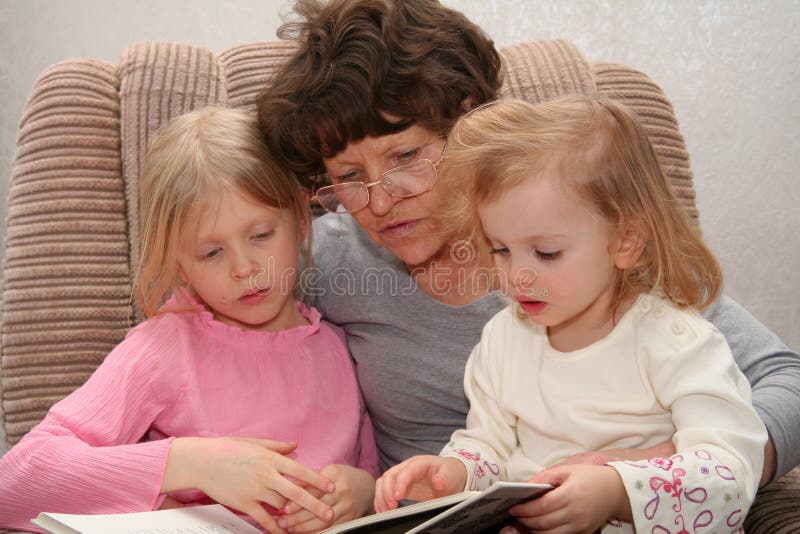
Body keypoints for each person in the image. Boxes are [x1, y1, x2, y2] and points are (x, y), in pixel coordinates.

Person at [256, 0, 799, 508]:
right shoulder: (332, 258)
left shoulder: (584, 236)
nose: (379, 201)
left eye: (406, 156)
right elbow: (207, 305)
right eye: (350, 176)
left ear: (469, 122)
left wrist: (650, 471)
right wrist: (203, 461)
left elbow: (787, 382)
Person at [373, 96, 767, 533]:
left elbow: (729, 473)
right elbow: (490, 447)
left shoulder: (674, 340)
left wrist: (617, 490)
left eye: (546, 253)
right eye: (500, 249)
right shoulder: (505, 338)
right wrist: (453, 474)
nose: (517, 276)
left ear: (625, 241)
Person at [0, 107, 379, 534]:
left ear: (299, 221)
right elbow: (13, 483)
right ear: (180, 266)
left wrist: (363, 491)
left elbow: (378, 480)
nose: (244, 267)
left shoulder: (340, 347)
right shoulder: (166, 347)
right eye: (211, 253)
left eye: (260, 235)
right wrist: (191, 463)